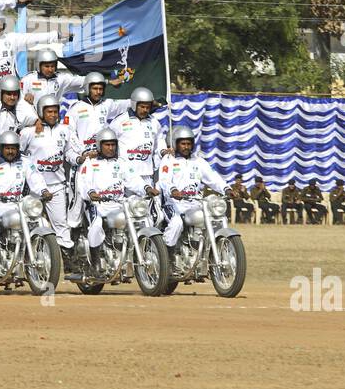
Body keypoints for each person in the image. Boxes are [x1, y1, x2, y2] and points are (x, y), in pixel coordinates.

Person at [75, 127, 157, 263]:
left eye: (113, 144)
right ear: (99, 145)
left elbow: (134, 179)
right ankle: (95, 262)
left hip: (119, 204)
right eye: (107, 145)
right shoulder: (90, 164)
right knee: (96, 226)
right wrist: (91, 193)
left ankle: (136, 253)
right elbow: (83, 183)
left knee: (142, 218)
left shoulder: (121, 163)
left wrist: (147, 188)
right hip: (97, 205)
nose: (111, 148)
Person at [0, 131, 53, 272]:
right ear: (1, 148)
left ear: (18, 148)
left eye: (13, 148)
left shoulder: (25, 162)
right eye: (7, 148)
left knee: (40, 221)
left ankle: (30, 255)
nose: (10, 151)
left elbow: (36, 178)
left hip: (18, 204)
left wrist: (44, 191)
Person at [0, 9, 60, 120]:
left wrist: (56, 35)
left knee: (32, 118)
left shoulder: (11, 39)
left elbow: (34, 38)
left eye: (0, 25)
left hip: (13, 90)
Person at [19, 92, 76, 254]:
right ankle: (29, 255)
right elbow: (19, 155)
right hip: (33, 188)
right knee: (31, 221)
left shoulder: (65, 130)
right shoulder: (28, 132)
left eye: (55, 111)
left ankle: (66, 258)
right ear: (41, 111)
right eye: (48, 111)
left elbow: (69, 153)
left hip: (56, 186)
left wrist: (78, 158)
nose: (52, 115)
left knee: (61, 224)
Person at [159, 126, 228, 260]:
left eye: (189, 143)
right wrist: (173, 190)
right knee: (176, 223)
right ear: (175, 144)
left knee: (217, 218)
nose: (186, 147)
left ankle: (211, 253)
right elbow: (164, 180)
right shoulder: (168, 160)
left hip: (195, 203)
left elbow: (212, 177)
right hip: (173, 204)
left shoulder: (198, 161)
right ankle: (167, 257)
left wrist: (227, 189)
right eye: (183, 143)